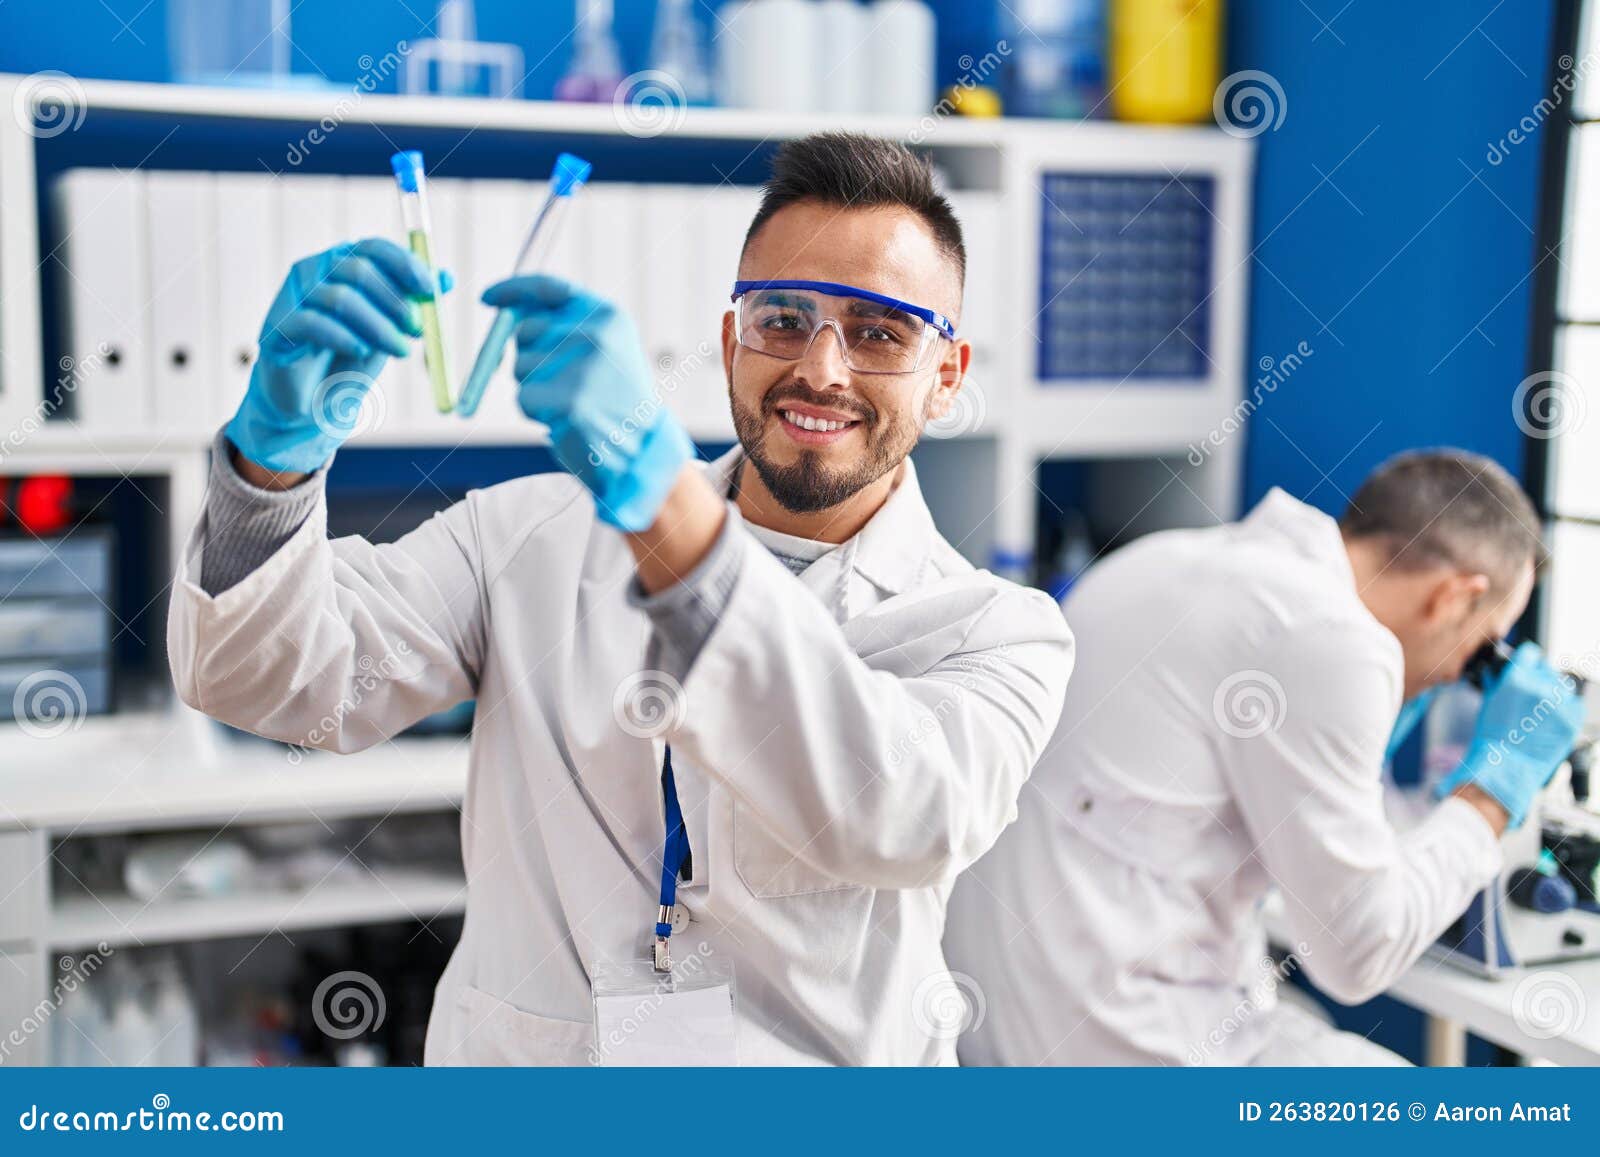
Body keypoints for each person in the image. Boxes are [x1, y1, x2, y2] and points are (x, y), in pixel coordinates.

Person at [168, 133, 1074, 1065]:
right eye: (784, 319)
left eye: (880, 332)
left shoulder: (1000, 634)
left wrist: (663, 511)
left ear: (948, 376)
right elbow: (274, 685)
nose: (822, 369)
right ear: (731, 343)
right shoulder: (530, 536)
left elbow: (893, 810)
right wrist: (269, 462)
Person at [944, 451, 1585, 1066]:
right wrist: (1496, 788)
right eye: (1481, 652)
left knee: (1304, 1020)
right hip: (1121, 1055)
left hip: (986, 1026)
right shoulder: (1332, 636)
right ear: (1453, 598)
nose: (1458, 681)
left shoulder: (1168, 557)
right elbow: (1359, 954)